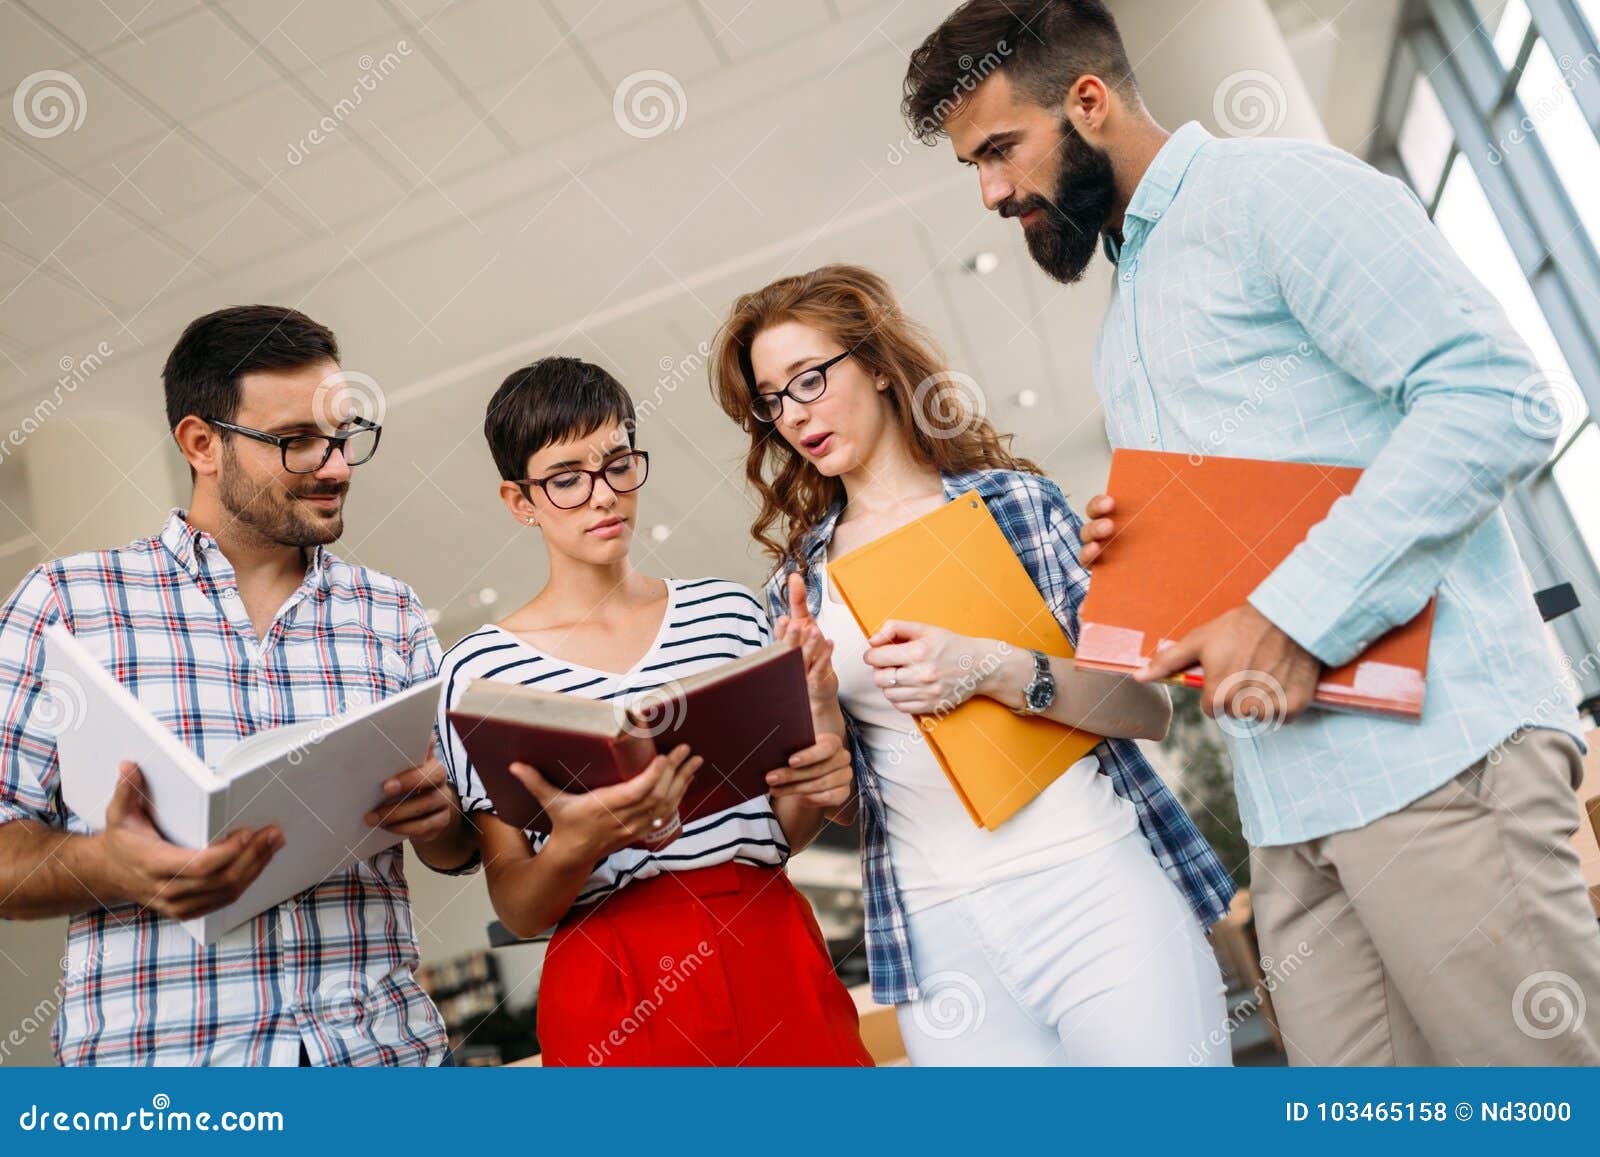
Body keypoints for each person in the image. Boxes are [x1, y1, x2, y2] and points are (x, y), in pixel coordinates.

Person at [904, 0, 1600, 1064]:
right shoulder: (1130, 300)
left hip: (1436, 764)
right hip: (1289, 809)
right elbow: (1270, 496)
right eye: (974, 168)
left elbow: (1492, 396)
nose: (994, 192)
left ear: (1087, 101)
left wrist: (1291, 612)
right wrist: (1141, 549)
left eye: (1001, 149)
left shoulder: (1276, 193)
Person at [708, 263, 1233, 1065]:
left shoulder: (1014, 508)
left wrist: (993, 667)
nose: (795, 414)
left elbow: (1146, 709)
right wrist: (815, 714)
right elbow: (847, 803)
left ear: (880, 365)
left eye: (811, 378)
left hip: (1092, 883)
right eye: (773, 399)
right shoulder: (795, 588)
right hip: (937, 934)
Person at [0, 305, 476, 1065]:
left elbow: (457, 848)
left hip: (381, 1064)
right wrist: (106, 866)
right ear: (201, 444)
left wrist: (445, 822)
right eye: (296, 441)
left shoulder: (393, 615)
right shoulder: (66, 607)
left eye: (343, 434)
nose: (336, 465)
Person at [434, 356, 872, 1067]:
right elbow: (515, 901)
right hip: (608, 968)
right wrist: (578, 842)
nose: (603, 496)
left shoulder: (728, 613)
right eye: (567, 479)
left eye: (617, 464)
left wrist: (821, 723)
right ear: (520, 501)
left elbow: (783, 829)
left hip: (766, 935)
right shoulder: (480, 672)